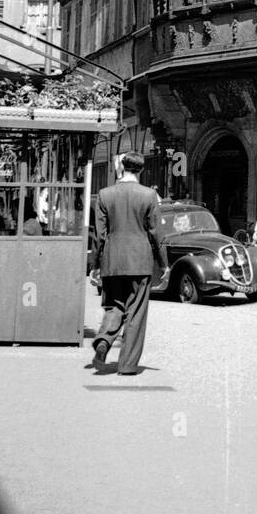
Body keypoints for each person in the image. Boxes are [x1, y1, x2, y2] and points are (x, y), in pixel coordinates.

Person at [89, 152, 169, 377]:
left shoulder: (105, 195)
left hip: (112, 261)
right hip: (140, 262)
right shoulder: (149, 195)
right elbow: (155, 233)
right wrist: (164, 264)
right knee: (136, 312)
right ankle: (127, 365)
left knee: (115, 305)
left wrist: (94, 265)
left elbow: (100, 235)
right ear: (141, 170)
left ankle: (104, 339)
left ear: (122, 167)